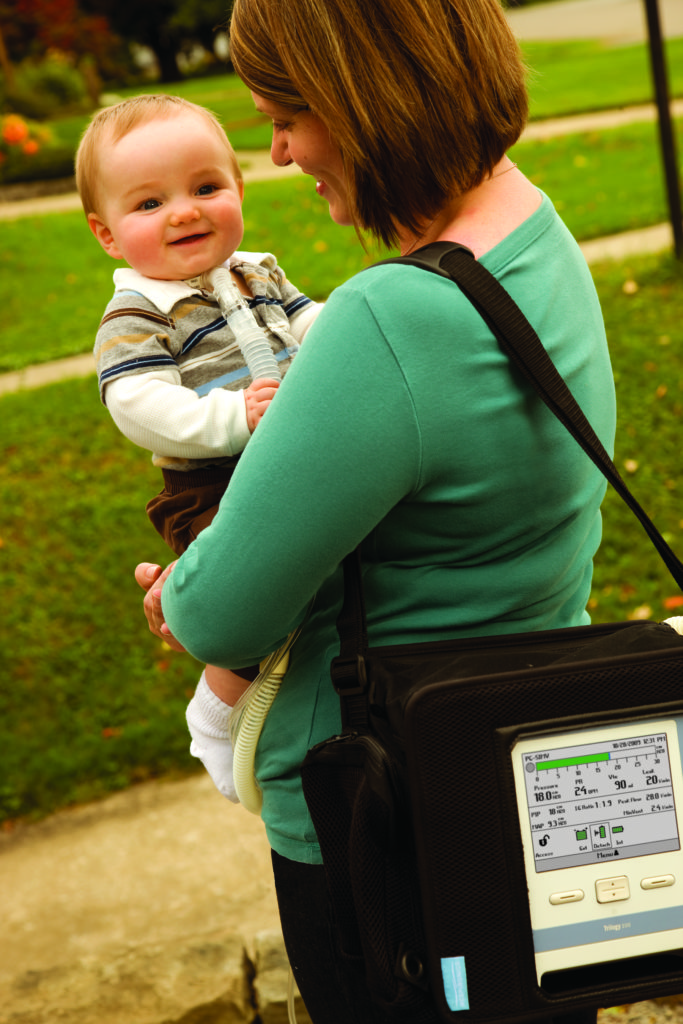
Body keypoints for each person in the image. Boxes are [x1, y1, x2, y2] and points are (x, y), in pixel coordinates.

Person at [135, 0, 616, 1020]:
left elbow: (218, 614)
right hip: (515, 780)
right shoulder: (532, 232)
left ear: (362, 101)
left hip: (381, 824)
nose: (275, 154)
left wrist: (185, 584)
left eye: (285, 117)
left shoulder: (389, 317)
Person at [76, 94, 321, 800]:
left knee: (318, 578)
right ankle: (214, 712)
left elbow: (317, 329)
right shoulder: (136, 313)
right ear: (108, 233)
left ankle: (264, 688)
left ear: (239, 190)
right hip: (213, 485)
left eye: (206, 188)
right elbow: (139, 407)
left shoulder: (259, 271)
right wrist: (231, 419)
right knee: (253, 589)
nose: (184, 211)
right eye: (150, 203)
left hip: (292, 461)